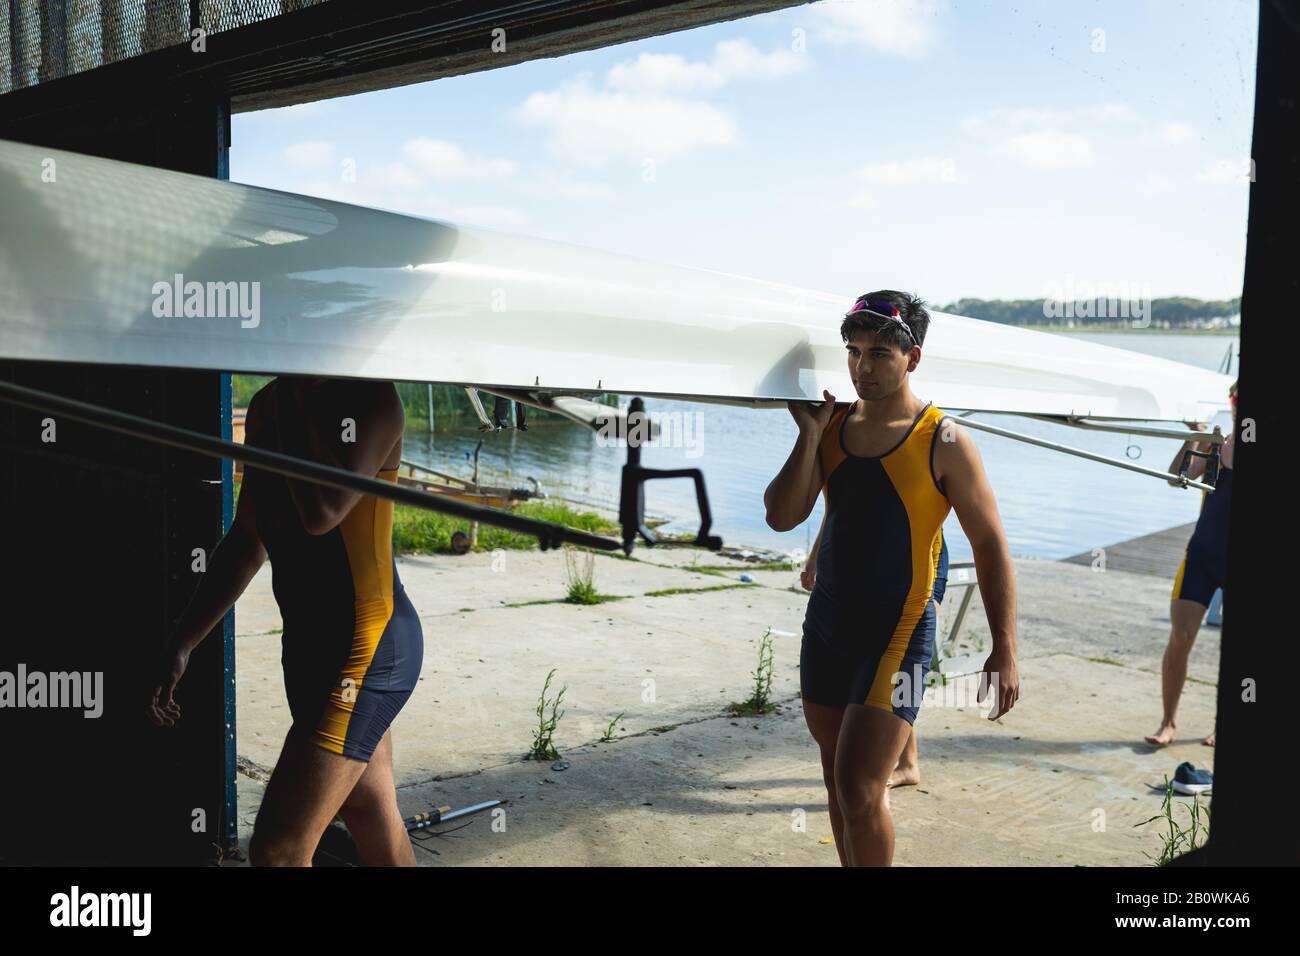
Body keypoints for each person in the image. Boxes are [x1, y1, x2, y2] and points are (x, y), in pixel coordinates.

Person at [765, 290, 1019, 867]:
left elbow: (989, 543)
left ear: (914, 358)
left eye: (880, 352)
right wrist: (808, 435)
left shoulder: (945, 440)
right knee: (836, 781)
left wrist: (1004, 645)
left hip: (899, 634)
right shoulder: (830, 428)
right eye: (854, 351)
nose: (863, 367)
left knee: (860, 786)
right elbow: (783, 516)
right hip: (826, 627)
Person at [147, 375, 424, 866]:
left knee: (277, 849)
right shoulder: (268, 403)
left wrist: (297, 396)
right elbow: (249, 536)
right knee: (368, 807)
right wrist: (184, 641)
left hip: (365, 648)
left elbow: (322, 511)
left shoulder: (373, 400)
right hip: (310, 646)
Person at [802, 522, 949, 788]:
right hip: (874, 570)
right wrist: (814, 559)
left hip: (925, 562)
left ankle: (904, 766)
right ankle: (907, 763)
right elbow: (834, 510)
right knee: (885, 673)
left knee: (899, 661)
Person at [1145, 382, 1236, 749]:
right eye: (1234, 398)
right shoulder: (1217, 444)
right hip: (1202, 555)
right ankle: (1168, 723)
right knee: (1180, 637)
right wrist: (1194, 436)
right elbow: (1175, 477)